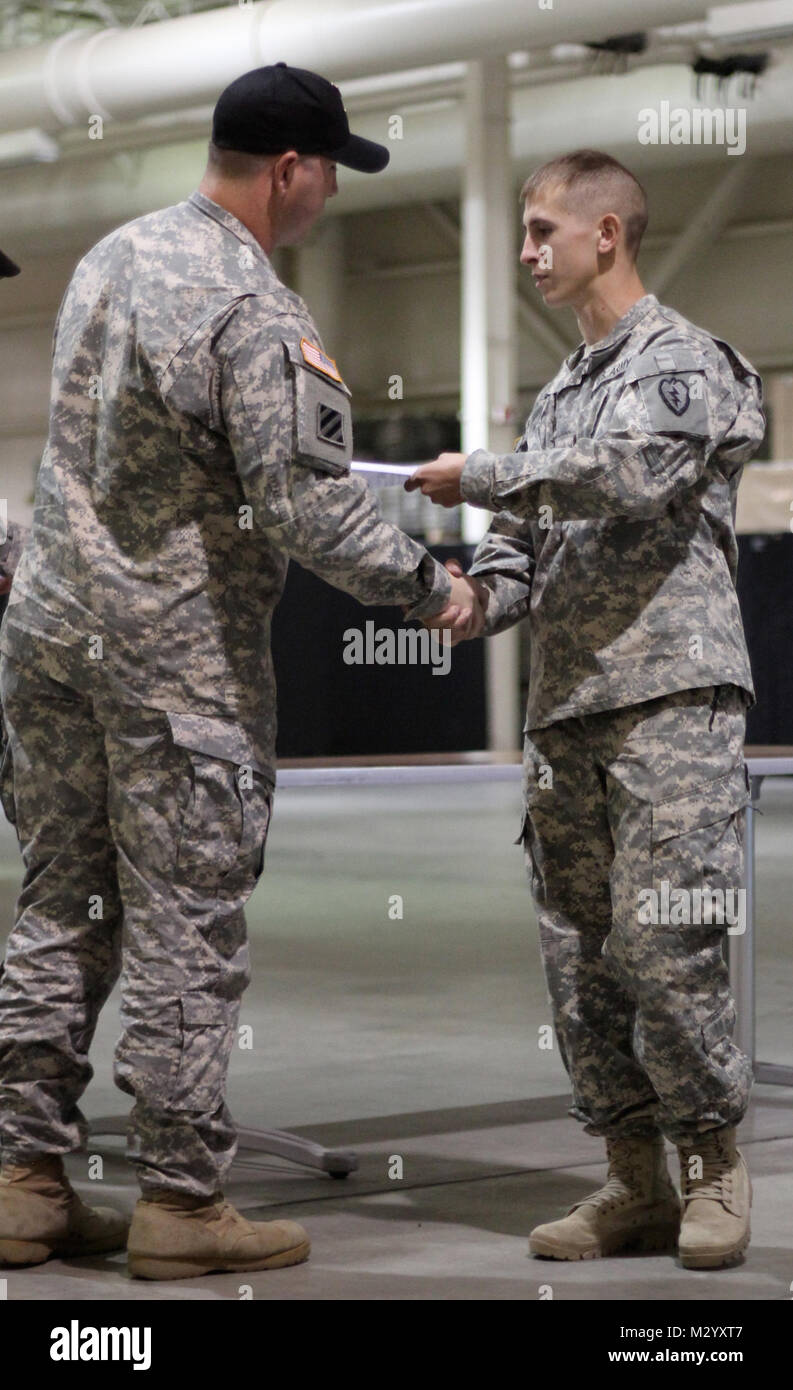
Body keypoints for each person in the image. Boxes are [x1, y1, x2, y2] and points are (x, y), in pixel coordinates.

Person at [0, 62, 479, 1282]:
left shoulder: (109, 260)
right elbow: (308, 508)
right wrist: (434, 590)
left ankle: (24, 1182)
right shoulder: (253, 306)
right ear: (290, 170)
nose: (330, 193)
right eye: (330, 171)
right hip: (173, 662)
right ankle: (180, 1200)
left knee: (59, 906)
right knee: (185, 920)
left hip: (48, 641)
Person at [408, 149, 763, 1270]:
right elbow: (523, 549)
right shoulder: (560, 391)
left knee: (665, 941)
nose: (526, 252)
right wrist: (470, 599)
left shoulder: (683, 359)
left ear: (605, 232)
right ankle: (631, 1181)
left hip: (667, 700)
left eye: (541, 230)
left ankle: (711, 1168)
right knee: (582, 958)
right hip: (567, 712)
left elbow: (631, 476)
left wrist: (483, 472)